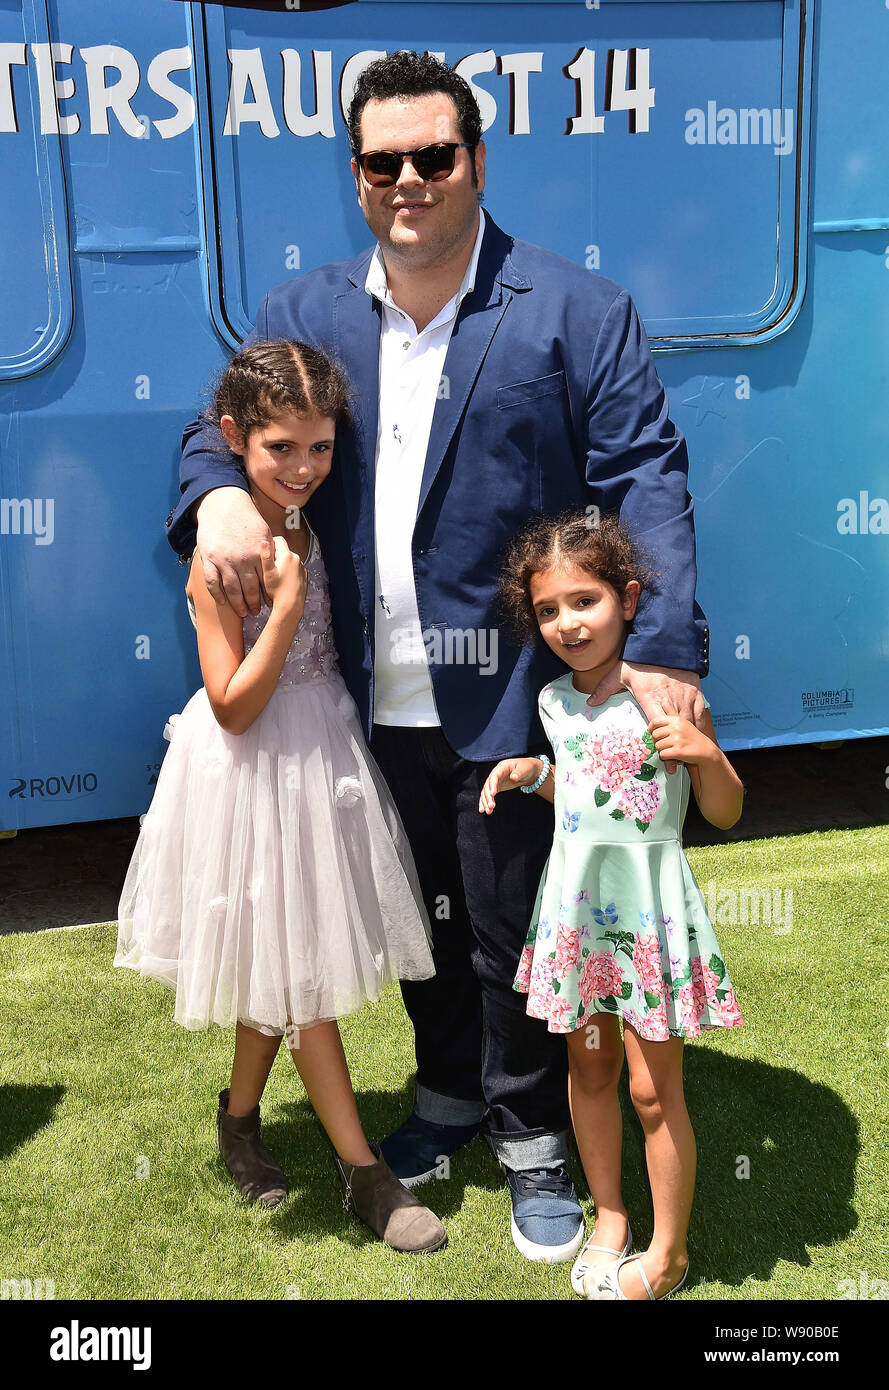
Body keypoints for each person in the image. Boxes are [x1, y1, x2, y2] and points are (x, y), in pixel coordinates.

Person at [166, 50, 711, 1262]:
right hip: (359, 698)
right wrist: (214, 498)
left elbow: (642, 475)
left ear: (476, 160)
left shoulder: (576, 308)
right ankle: (448, 1097)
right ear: (355, 177)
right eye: (382, 160)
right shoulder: (302, 313)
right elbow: (225, 429)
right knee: (415, 919)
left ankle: (529, 1138)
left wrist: (662, 652)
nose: (408, 178)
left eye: (434, 155)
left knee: (515, 922)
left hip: (518, 695)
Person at [116, 340, 446, 1255]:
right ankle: (366, 1173)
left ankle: (239, 1117)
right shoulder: (221, 558)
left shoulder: (312, 519)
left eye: (320, 448)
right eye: (279, 451)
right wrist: (289, 612)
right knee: (301, 977)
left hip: (325, 758)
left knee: (281, 959)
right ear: (234, 440)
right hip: (252, 770)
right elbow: (229, 707)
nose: (303, 469)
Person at [479, 511, 744, 1298]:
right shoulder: (555, 702)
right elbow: (588, 793)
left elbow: (725, 812)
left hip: (648, 912)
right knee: (588, 1068)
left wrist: (704, 756)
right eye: (549, 610)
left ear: (628, 599)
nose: (567, 622)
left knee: (650, 1089)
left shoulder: (667, 695)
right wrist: (532, 774)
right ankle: (610, 1216)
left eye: (584, 601)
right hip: (576, 911)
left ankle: (667, 1254)